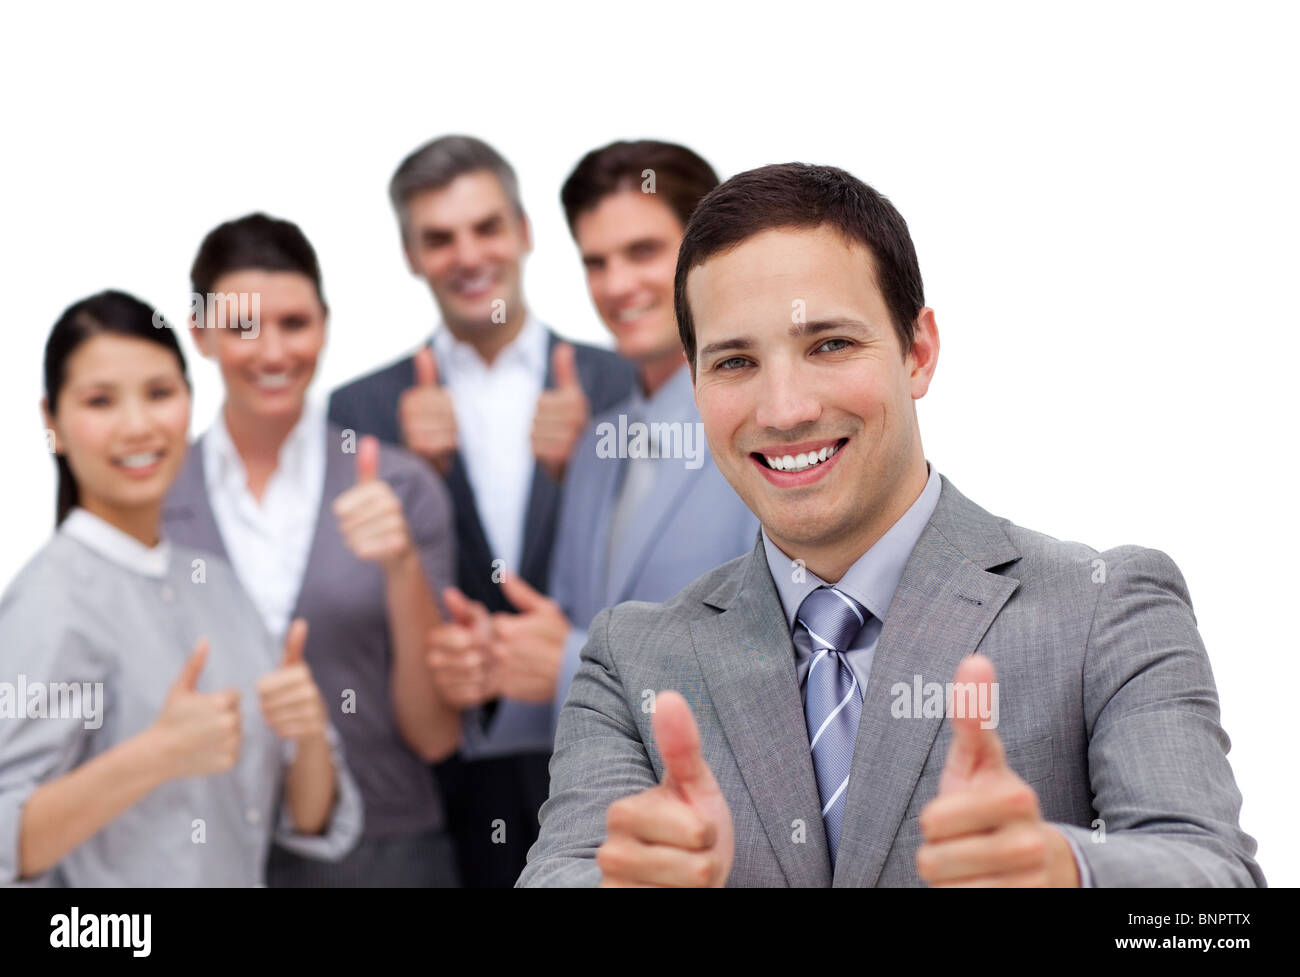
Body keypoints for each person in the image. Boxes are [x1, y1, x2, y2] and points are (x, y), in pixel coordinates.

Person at [518, 163, 1265, 888]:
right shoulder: (631, 660)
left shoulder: (1107, 608)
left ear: (919, 350)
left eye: (829, 345)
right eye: (735, 361)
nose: (784, 410)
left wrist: (1067, 871)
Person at [328, 135, 635, 886]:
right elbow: (355, 602)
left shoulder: (620, 382)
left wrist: (588, 461)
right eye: (439, 238)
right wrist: (416, 474)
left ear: (526, 233)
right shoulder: (362, 409)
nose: (468, 255)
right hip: (437, 788)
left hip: (600, 758)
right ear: (410, 254)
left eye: (486, 228)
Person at [0, 290, 362, 886]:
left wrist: (307, 732)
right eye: (100, 401)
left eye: (160, 394)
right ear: (52, 423)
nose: (138, 425)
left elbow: (309, 817)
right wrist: (156, 754)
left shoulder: (215, 585)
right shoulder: (49, 601)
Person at [163, 214, 461, 886]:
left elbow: (437, 733)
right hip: (202, 853)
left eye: (295, 324)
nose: (272, 353)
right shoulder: (150, 499)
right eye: (242, 326)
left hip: (385, 854)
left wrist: (402, 566)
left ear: (325, 324)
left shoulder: (399, 485)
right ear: (200, 332)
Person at [437, 140, 757, 742]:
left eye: (643, 252)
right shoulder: (595, 449)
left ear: (712, 251)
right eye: (596, 262)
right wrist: (501, 660)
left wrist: (564, 663)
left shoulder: (769, 429)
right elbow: (564, 644)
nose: (617, 286)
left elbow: (778, 667)